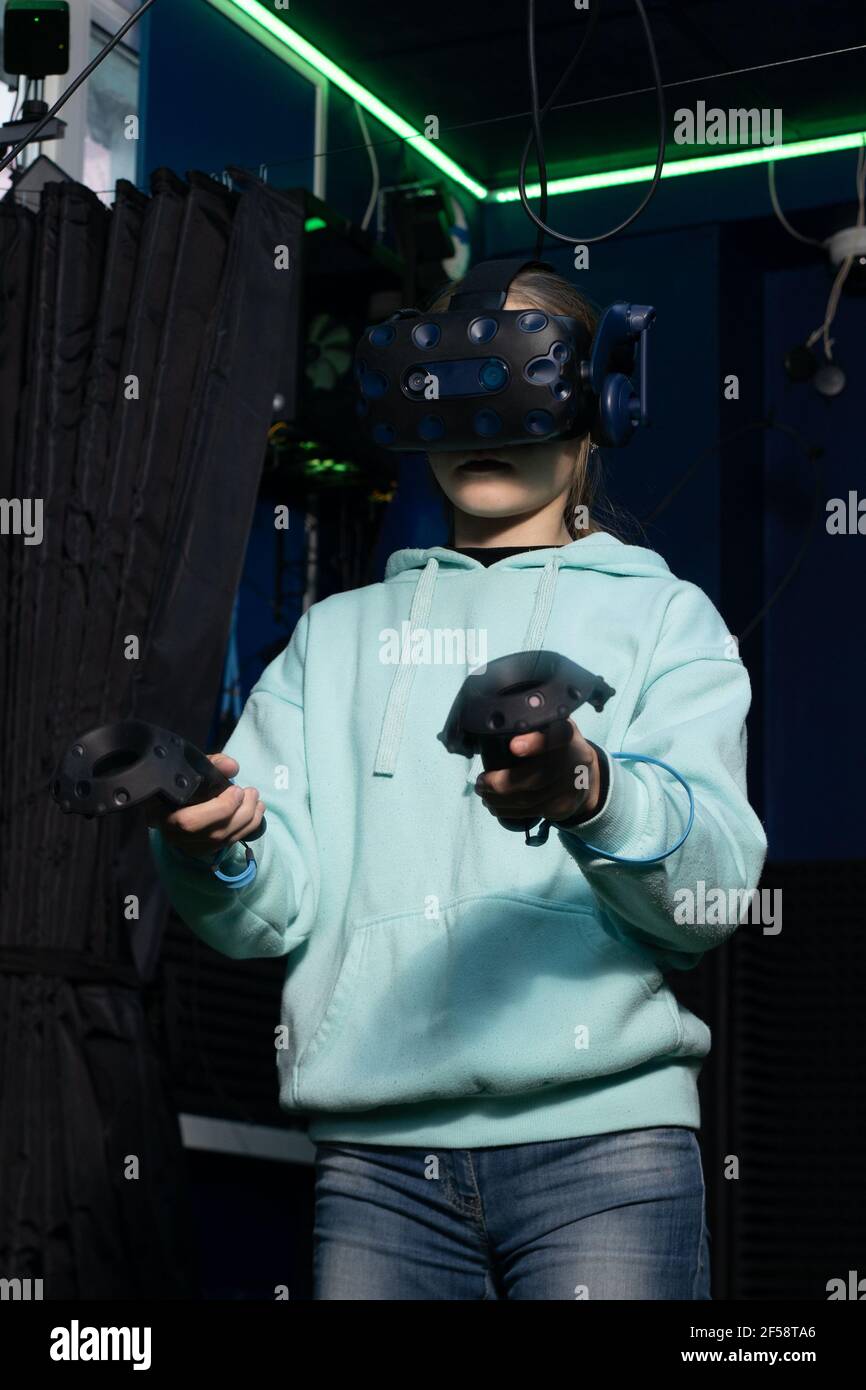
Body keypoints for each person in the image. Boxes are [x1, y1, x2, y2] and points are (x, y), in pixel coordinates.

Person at [147, 265, 767, 1301]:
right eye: (451, 372)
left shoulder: (666, 620)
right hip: (377, 1166)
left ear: (596, 395)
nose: (481, 411)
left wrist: (590, 790)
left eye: (517, 370)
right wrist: (218, 850)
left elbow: (709, 897)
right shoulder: (332, 638)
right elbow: (271, 907)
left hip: (603, 1148)